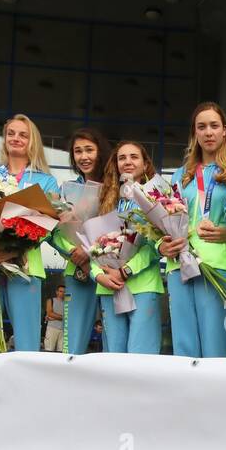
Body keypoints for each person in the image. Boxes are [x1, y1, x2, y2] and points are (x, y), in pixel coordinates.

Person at [0, 114, 61, 355]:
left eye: (23, 134)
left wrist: (10, 249)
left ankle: (25, 390)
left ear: (32, 142)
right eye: (11, 133)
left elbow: (49, 226)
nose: (15, 138)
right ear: (4, 139)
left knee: (26, 341)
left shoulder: (46, 182)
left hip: (25, 267)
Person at [167, 102, 226, 358]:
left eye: (214, 126)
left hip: (217, 265)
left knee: (214, 345)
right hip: (179, 264)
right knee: (184, 346)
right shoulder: (179, 175)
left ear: (224, 131)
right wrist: (163, 245)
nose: (208, 132)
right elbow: (165, 219)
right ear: (195, 133)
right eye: (202, 127)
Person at [93, 140, 163, 354]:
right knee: (113, 354)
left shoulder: (155, 197)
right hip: (108, 284)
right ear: (115, 164)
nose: (127, 162)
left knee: (139, 356)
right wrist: (98, 274)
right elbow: (91, 245)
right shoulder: (105, 199)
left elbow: (155, 245)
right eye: (122, 158)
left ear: (145, 164)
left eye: (134, 157)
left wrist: (127, 270)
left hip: (143, 284)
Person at [57, 128, 110, 354]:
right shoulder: (67, 190)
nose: (84, 156)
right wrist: (74, 252)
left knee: (113, 341)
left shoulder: (114, 188)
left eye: (89, 149)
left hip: (110, 271)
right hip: (78, 271)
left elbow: (122, 228)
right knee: (73, 343)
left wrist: (91, 252)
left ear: (100, 152)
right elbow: (55, 232)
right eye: (78, 151)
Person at [43, 281, 67, 352]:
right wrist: (63, 317)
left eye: (64, 292)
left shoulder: (67, 303)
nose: (62, 293)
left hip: (63, 330)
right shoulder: (50, 300)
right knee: (49, 350)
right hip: (52, 328)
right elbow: (50, 313)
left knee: (61, 351)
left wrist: (55, 317)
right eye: (60, 291)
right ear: (57, 292)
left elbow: (70, 315)